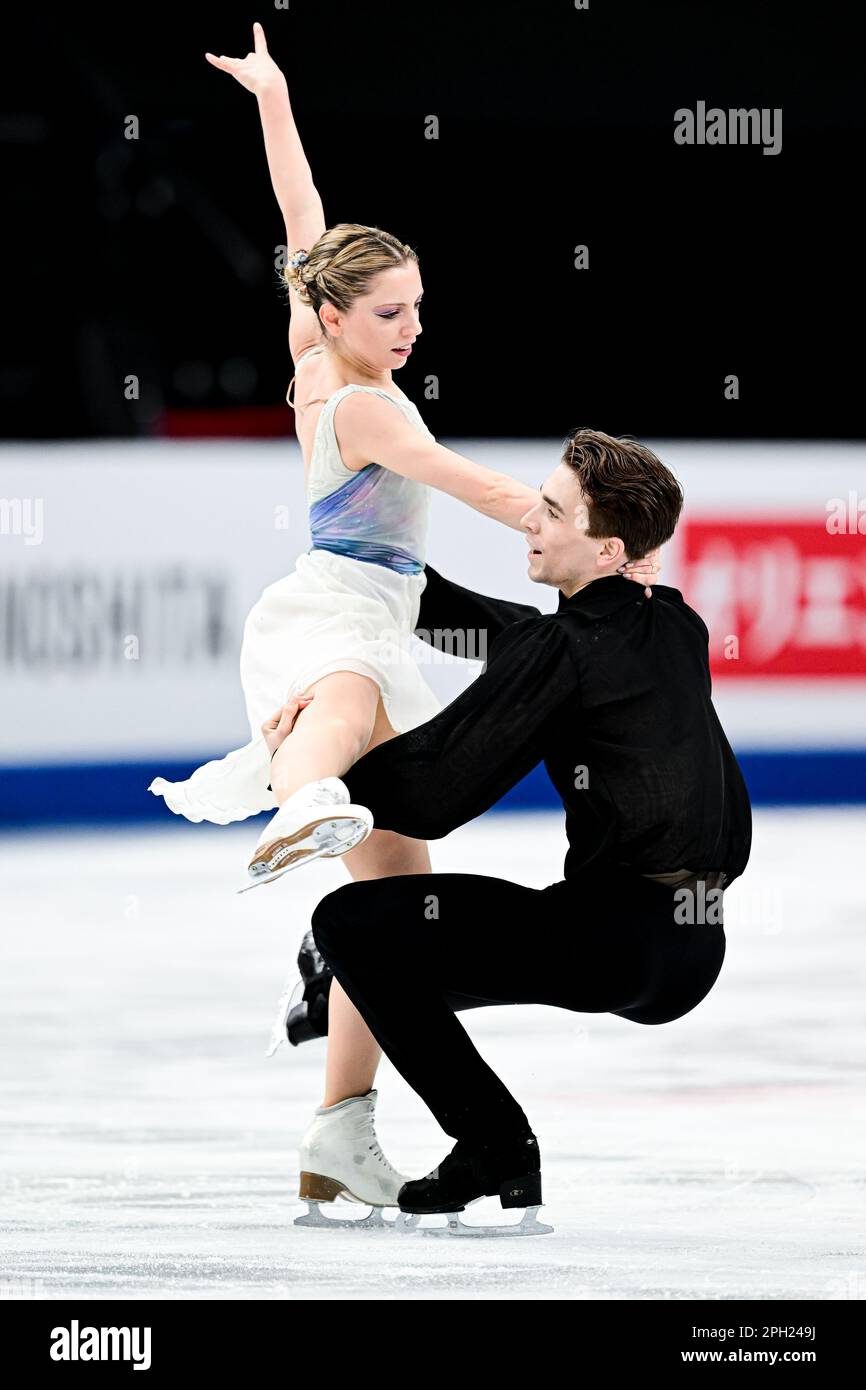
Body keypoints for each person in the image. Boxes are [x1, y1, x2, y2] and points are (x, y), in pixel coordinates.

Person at [144, 22, 665, 1221]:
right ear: (341, 322)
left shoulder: (310, 348)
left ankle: (340, 1128)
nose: (411, 325)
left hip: (374, 605)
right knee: (348, 701)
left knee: (392, 917)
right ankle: (301, 803)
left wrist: (274, 104)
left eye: (416, 305)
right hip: (340, 609)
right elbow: (472, 487)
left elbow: (301, 221)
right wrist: (587, 521)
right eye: (391, 312)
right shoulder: (368, 408)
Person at [298, 429, 752, 1234]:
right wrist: (409, 587)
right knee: (372, 967)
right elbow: (531, 643)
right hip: (690, 946)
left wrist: (318, 780)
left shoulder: (568, 651)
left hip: (612, 936)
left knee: (347, 924)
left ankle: (494, 1145)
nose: (529, 522)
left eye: (551, 512)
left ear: (608, 549)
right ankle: (338, 991)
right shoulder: (672, 621)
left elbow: (439, 787)